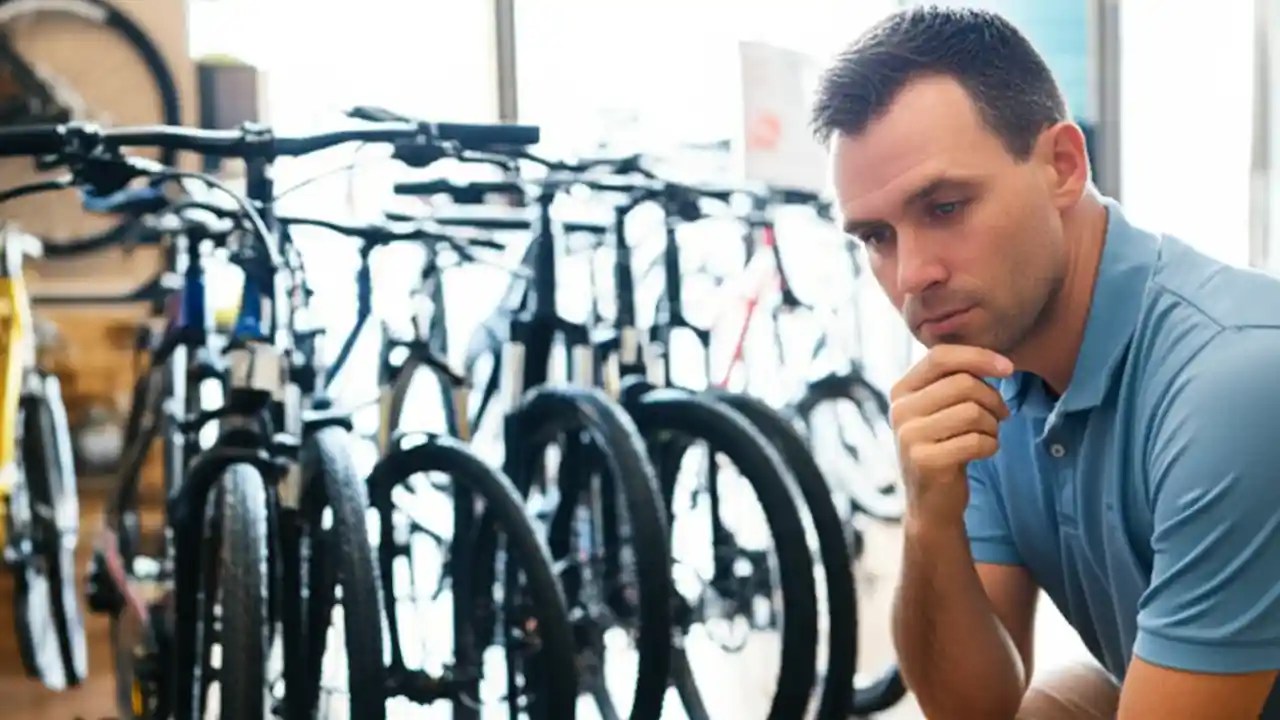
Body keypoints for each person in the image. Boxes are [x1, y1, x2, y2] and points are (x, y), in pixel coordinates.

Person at [810, 6, 1280, 720]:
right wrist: (928, 519)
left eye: (944, 206)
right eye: (876, 236)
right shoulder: (992, 363)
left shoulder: (1232, 382)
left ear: (1062, 166)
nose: (910, 275)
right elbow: (972, 709)